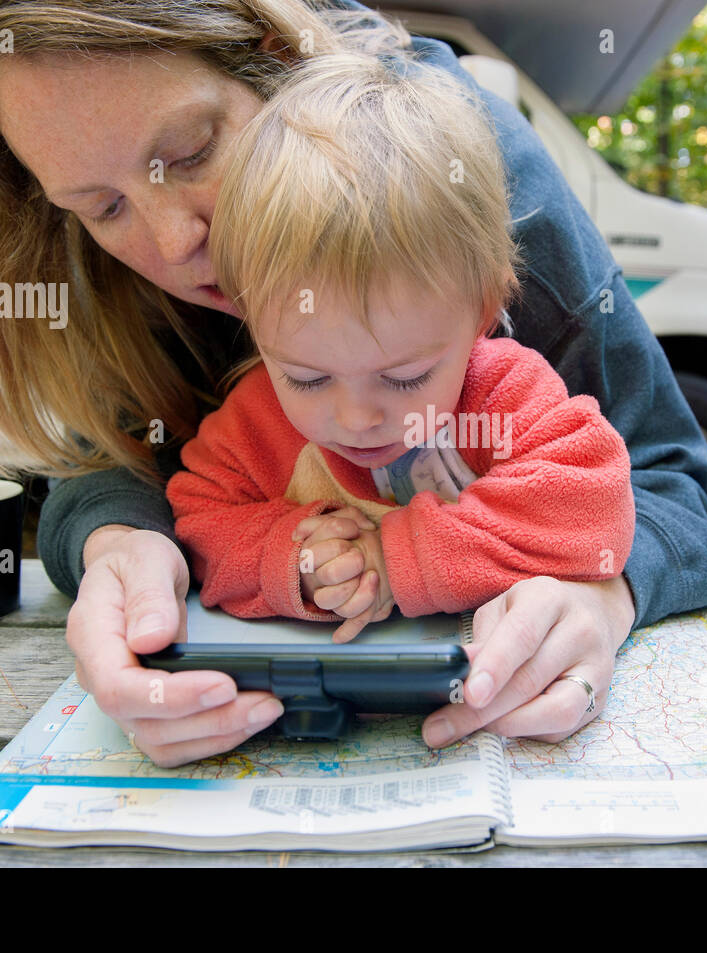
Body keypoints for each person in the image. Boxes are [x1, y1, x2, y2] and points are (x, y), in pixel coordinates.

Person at [0, 0, 707, 768]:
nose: (171, 244)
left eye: (191, 152)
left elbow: (665, 473)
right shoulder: (119, 279)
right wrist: (118, 543)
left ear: (275, 56)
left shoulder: (460, 178)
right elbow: (113, 461)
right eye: (102, 207)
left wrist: (605, 593)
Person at [165, 51, 636, 642]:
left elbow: (592, 507)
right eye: (307, 379)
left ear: (482, 316)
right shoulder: (255, 423)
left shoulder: (504, 394)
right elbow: (198, 523)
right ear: (252, 324)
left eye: (406, 377)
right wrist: (299, 562)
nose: (357, 418)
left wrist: (398, 558)